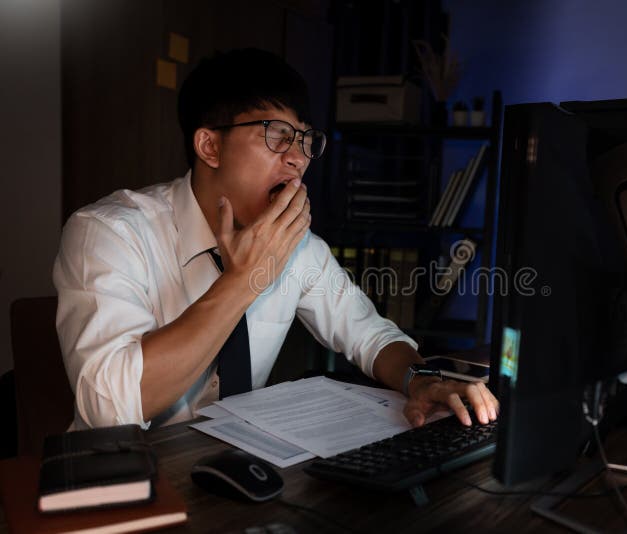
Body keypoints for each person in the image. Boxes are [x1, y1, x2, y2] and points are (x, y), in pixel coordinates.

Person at [53, 48, 498, 431]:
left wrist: (420, 380)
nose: (299, 159)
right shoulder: (108, 233)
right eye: (278, 136)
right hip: (123, 482)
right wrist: (241, 281)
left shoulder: (296, 246)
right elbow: (110, 408)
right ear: (210, 147)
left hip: (235, 468)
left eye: (305, 140)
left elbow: (370, 334)